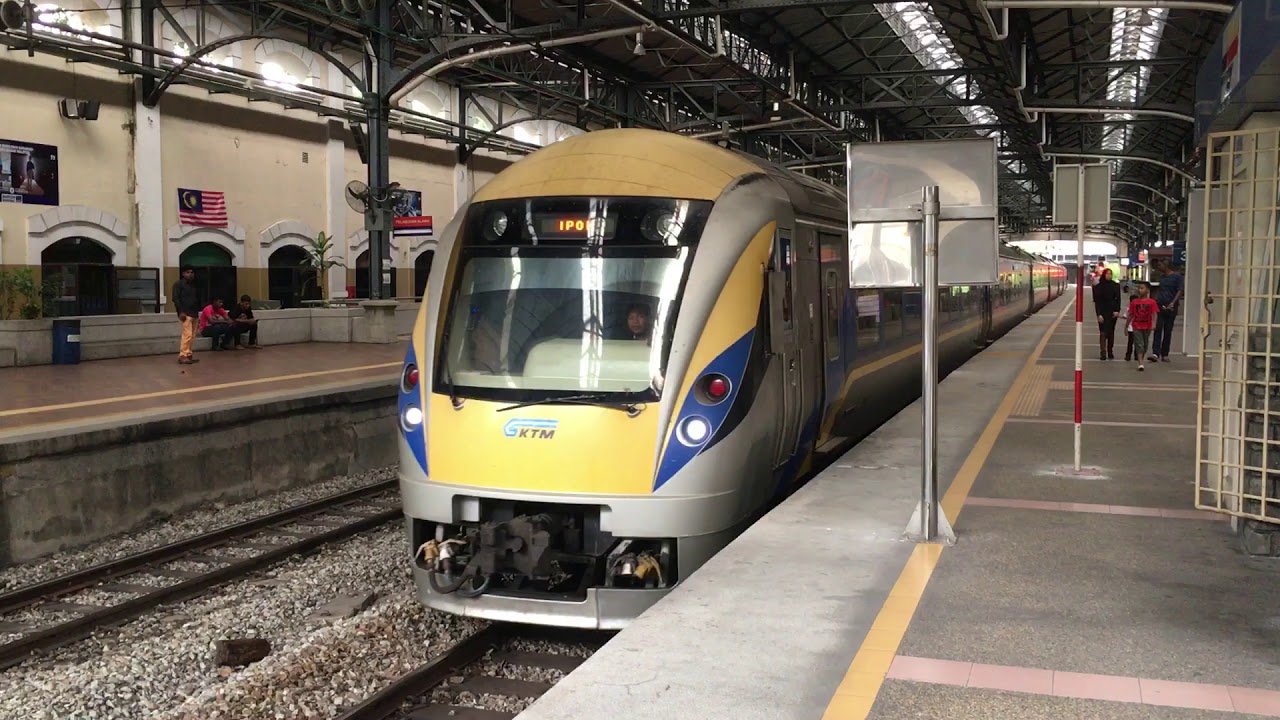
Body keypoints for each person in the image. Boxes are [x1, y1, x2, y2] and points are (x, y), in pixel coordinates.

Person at [1150, 258, 1183, 363]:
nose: (1158, 267)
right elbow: (1159, 290)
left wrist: (1173, 303)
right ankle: (1155, 353)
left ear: (1166, 265)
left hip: (1171, 307)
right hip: (1160, 305)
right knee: (1158, 329)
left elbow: (1179, 291)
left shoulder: (1177, 276)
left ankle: (1165, 354)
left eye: (1160, 265)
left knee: (1168, 330)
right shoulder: (1162, 277)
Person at [1125, 282, 1159, 372]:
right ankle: (1140, 363)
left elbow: (1154, 314)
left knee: (1145, 344)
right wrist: (1126, 326)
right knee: (1139, 344)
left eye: (1142, 288)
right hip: (1136, 326)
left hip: (1147, 326)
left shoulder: (1152, 302)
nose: (1140, 290)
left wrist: (1154, 324)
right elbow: (1130, 315)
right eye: (1139, 288)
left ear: (1147, 290)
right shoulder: (1134, 302)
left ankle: (1141, 359)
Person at [172, 265, 201, 365]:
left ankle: (188, 354)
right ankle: (182, 355)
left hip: (194, 312)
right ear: (183, 274)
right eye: (187, 272)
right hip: (185, 313)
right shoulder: (178, 284)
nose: (190, 274)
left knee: (192, 335)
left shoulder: (194, 285)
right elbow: (176, 298)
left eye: (192, 272)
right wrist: (181, 311)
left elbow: (197, 298)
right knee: (187, 334)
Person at [1092, 267, 1121, 360]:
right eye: (1107, 274)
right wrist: (1099, 314)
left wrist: (1117, 310)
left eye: (1110, 274)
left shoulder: (1116, 286)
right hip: (1103, 311)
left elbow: (1118, 299)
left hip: (1112, 311)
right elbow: (1097, 302)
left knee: (1111, 332)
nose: (1109, 275)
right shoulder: (1098, 287)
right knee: (1103, 332)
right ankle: (1103, 352)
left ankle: (1110, 351)